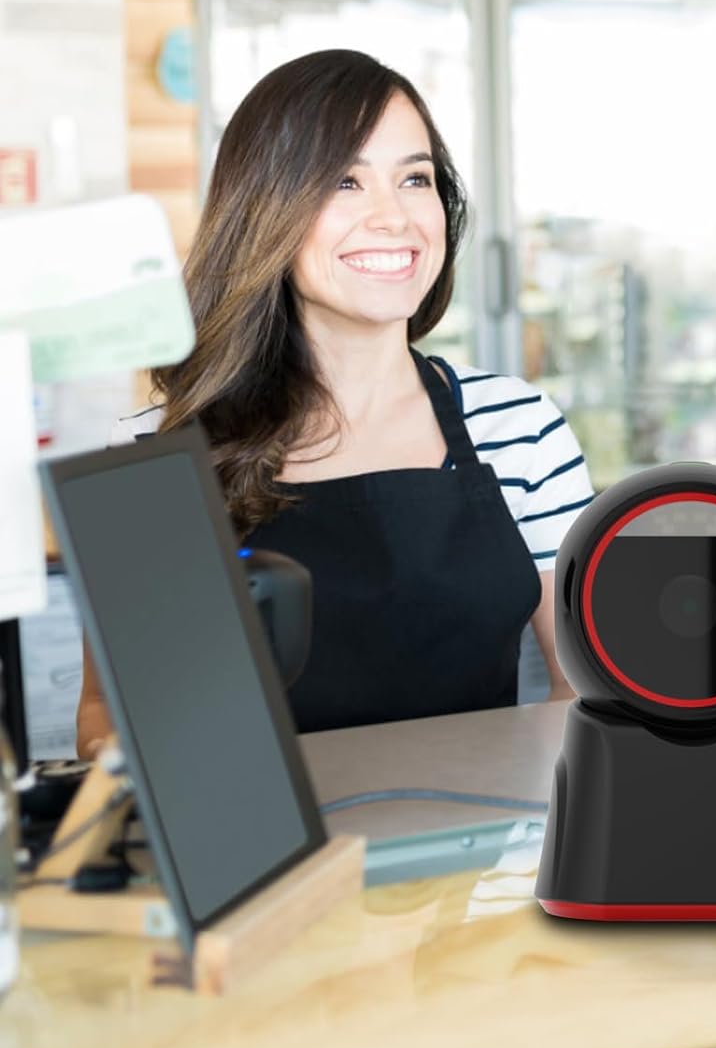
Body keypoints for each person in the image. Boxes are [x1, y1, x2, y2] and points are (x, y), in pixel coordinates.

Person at [77, 49, 592, 746]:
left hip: (481, 848)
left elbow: (586, 685)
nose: (394, 217)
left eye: (416, 178)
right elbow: (111, 719)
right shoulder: (154, 454)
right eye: (344, 182)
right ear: (267, 212)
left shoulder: (519, 427)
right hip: (267, 854)